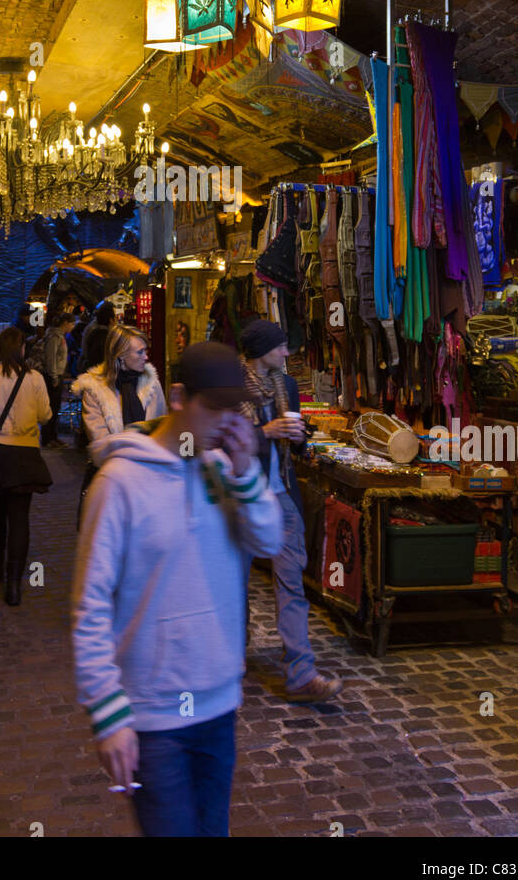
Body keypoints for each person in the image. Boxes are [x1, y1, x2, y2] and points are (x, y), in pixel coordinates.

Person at [71, 342, 283, 837]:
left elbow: (269, 540)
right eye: (215, 408)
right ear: (180, 397)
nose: (227, 423)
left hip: (219, 706)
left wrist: (248, 472)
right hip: (153, 717)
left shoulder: (222, 469)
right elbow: (90, 604)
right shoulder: (120, 482)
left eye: (235, 410)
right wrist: (108, 712)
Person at [239, 318, 343, 703]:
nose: (287, 353)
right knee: (235, 582)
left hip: (281, 493)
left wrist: (300, 439)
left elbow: (295, 446)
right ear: (261, 350)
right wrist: (266, 432)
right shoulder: (230, 387)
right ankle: (233, 656)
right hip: (240, 497)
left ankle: (301, 673)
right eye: (280, 346)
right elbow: (214, 441)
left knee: (291, 582)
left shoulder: (285, 386)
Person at [0, 327, 53, 605]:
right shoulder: (35, 379)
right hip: (25, 453)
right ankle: (14, 585)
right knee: (20, 519)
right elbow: (45, 415)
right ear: (19, 350)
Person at [72, 325, 166, 523]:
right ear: (120, 355)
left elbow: (163, 429)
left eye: (145, 351)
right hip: (113, 484)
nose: (146, 357)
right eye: (140, 352)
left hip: (149, 482)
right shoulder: (95, 389)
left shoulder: (152, 383)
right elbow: (101, 443)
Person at [30, 312, 76, 445]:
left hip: (56, 375)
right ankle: (48, 438)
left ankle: (53, 437)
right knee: (51, 408)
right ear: (65, 323)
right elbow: (51, 358)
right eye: (72, 324)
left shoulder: (59, 335)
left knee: (55, 408)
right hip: (51, 377)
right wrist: (54, 376)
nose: (73, 327)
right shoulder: (55, 336)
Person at [81, 301, 117, 372]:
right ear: (110, 319)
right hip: (96, 371)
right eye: (115, 316)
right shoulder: (101, 334)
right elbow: (100, 359)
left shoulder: (95, 326)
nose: (116, 320)